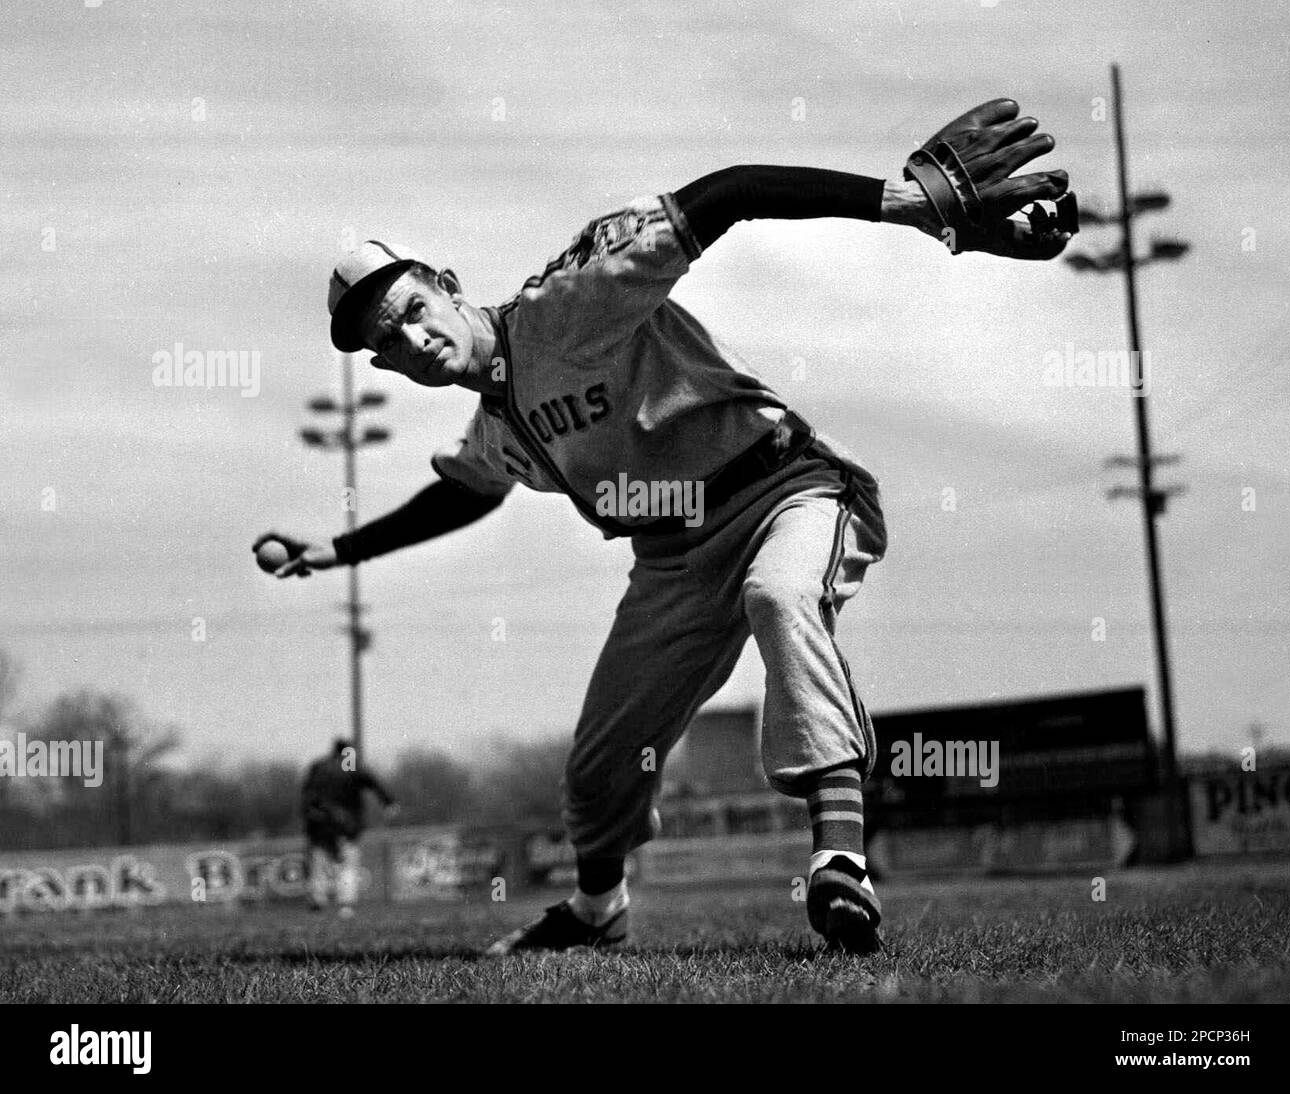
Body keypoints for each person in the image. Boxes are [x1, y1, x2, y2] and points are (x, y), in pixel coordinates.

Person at [256, 98, 1074, 954]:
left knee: (779, 596)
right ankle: (597, 912)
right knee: (599, 771)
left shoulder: (568, 304)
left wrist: (911, 203)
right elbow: (465, 492)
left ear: (450, 287)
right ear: (385, 366)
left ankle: (840, 857)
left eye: (415, 309)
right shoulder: (497, 425)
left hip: (784, 492)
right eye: (391, 342)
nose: (413, 339)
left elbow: (730, 192)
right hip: (676, 564)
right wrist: (331, 551)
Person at [301, 738, 397, 917]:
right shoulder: (348, 765)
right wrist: (388, 801)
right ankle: (346, 904)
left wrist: (310, 817)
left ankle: (317, 900)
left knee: (319, 861)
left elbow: (307, 795)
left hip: (319, 823)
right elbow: (372, 781)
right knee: (347, 863)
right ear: (348, 752)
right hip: (346, 824)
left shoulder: (319, 766)